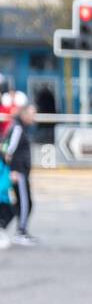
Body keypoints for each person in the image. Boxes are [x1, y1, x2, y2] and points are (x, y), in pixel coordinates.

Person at [1, 103, 36, 245]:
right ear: (24, 114)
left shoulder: (20, 127)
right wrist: (12, 170)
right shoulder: (17, 128)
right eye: (33, 113)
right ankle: (21, 232)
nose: (34, 117)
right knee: (24, 202)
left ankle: (18, 230)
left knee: (22, 203)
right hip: (18, 172)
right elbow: (8, 151)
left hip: (21, 171)